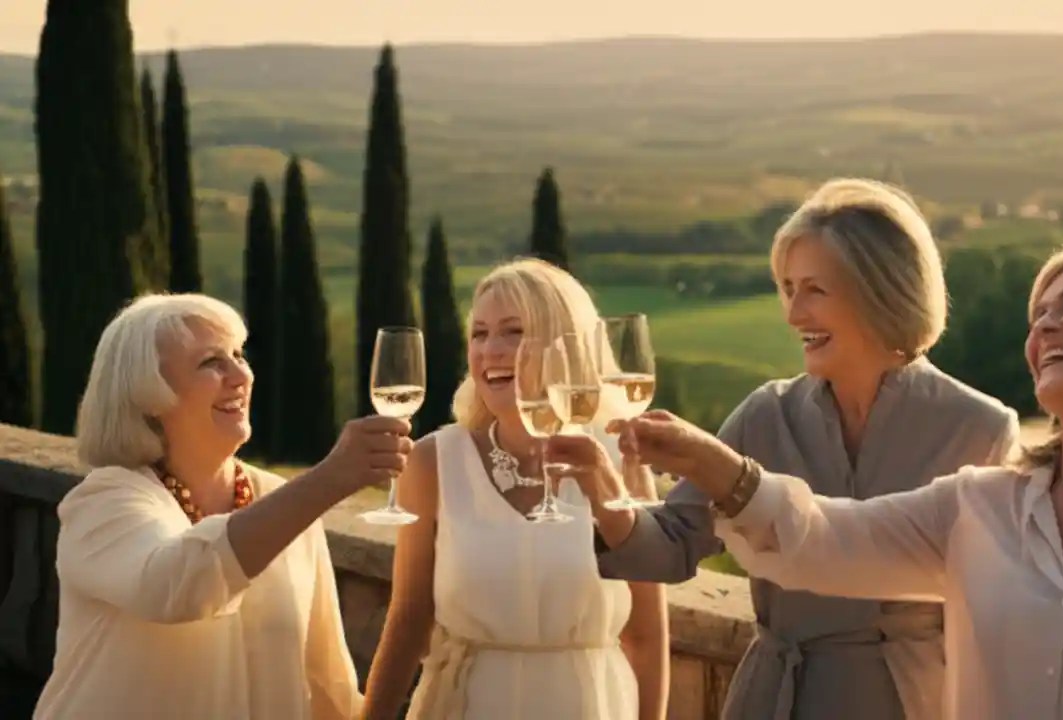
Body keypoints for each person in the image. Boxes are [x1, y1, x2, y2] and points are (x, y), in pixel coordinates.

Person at [619, 239, 1063, 719]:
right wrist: (713, 465)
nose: (1044, 323)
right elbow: (820, 537)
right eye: (1037, 314)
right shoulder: (978, 506)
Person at [586, 178, 1019, 719]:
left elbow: (1001, 617)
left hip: (909, 703)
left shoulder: (979, 428)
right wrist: (597, 489)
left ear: (880, 289)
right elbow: (671, 547)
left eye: (815, 290)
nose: (793, 316)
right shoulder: (765, 415)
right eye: (788, 289)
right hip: (776, 699)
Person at [34, 293, 412, 720]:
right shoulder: (103, 503)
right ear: (147, 397)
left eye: (239, 355)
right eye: (211, 362)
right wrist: (328, 479)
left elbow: (326, 680)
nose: (241, 376)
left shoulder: (281, 500)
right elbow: (175, 585)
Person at [362, 258, 669, 720]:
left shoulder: (619, 462)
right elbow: (408, 618)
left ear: (565, 346)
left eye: (513, 332)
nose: (491, 351)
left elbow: (646, 635)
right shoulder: (432, 462)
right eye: (479, 334)